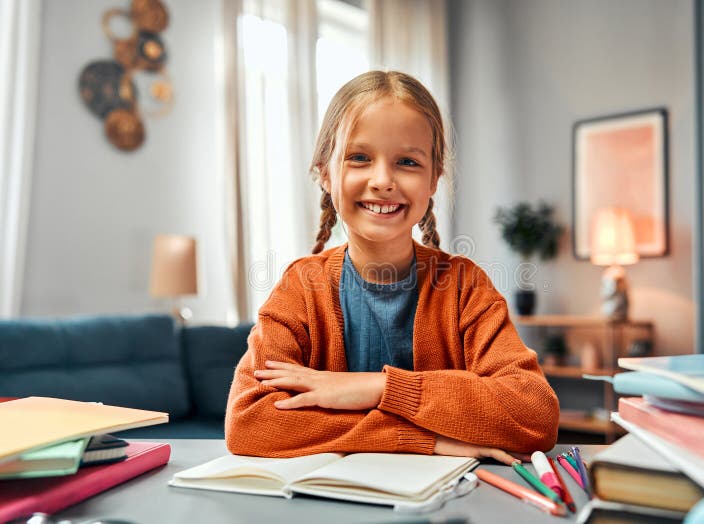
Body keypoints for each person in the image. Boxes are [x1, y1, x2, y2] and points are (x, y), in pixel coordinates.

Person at [225, 70, 559, 465]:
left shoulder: (464, 287)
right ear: (325, 174)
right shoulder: (301, 286)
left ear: (434, 177)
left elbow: (535, 415)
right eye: (359, 158)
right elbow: (250, 421)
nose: (383, 180)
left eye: (406, 161)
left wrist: (379, 387)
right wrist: (419, 437)